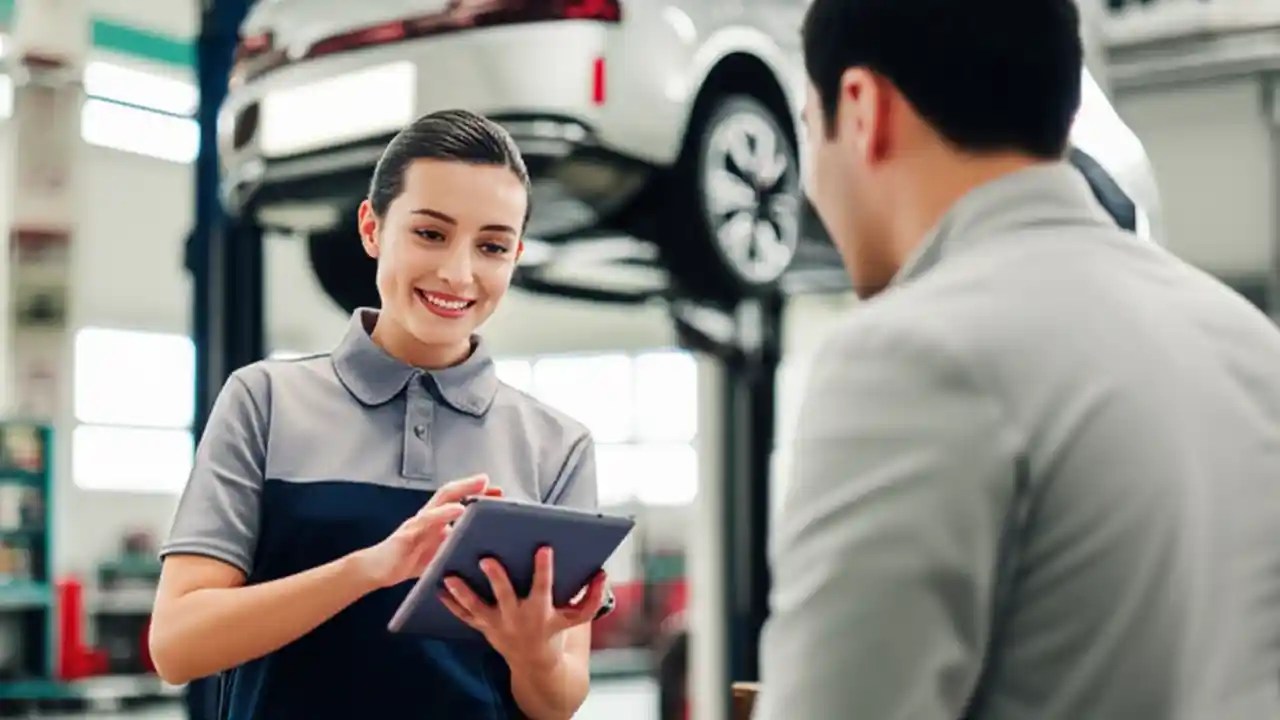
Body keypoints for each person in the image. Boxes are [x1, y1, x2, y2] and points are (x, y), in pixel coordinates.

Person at [755, 0, 1280, 718]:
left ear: (861, 109)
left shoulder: (909, 356)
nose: (811, 182)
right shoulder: (1250, 346)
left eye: (809, 132)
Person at [149, 109, 612, 720]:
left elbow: (556, 702)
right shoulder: (264, 401)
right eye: (430, 233)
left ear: (516, 255)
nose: (458, 272)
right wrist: (369, 569)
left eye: (492, 246)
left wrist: (533, 655)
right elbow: (177, 645)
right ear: (372, 228)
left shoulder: (558, 446)